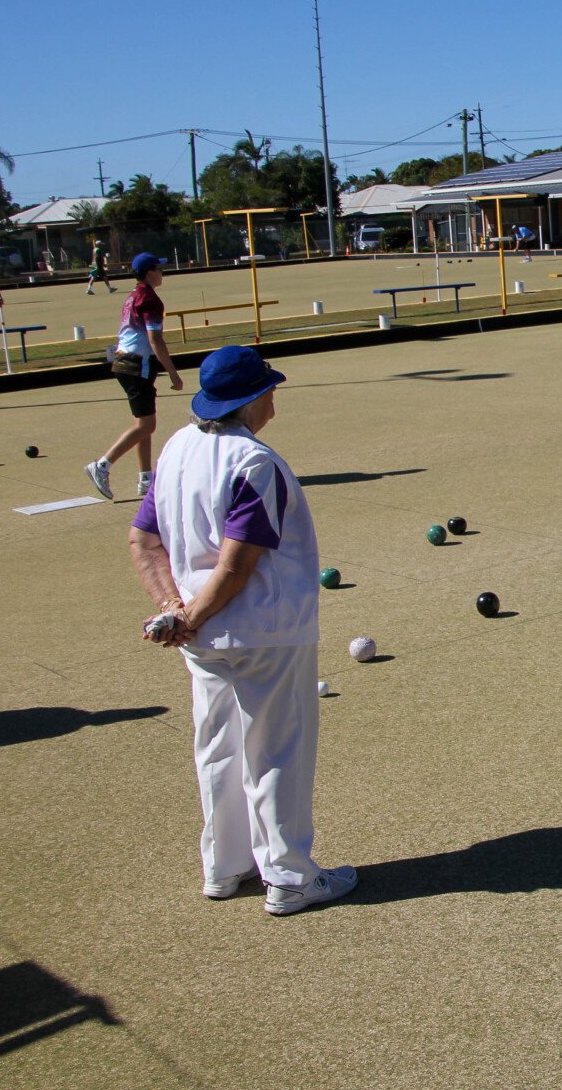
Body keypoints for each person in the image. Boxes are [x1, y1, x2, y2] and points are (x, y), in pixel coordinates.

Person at [126, 345, 357, 916]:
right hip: (266, 632)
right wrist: (189, 616)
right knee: (278, 750)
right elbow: (237, 563)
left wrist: (173, 612)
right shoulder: (254, 462)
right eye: (270, 389)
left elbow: (142, 540)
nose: (274, 397)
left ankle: (225, 867)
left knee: (218, 749)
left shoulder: (177, 448)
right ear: (252, 399)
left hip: (202, 642)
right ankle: (289, 878)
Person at [86, 253, 183, 502]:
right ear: (149, 272)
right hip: (136, 365)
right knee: (146, 425)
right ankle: (102, 465)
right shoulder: (150, 299)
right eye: (159, 269)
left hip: (126, 362)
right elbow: (155, 340)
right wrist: (173, 372)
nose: (162, 274)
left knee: (143, 424)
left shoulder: (133, 295)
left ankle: (145, 478)